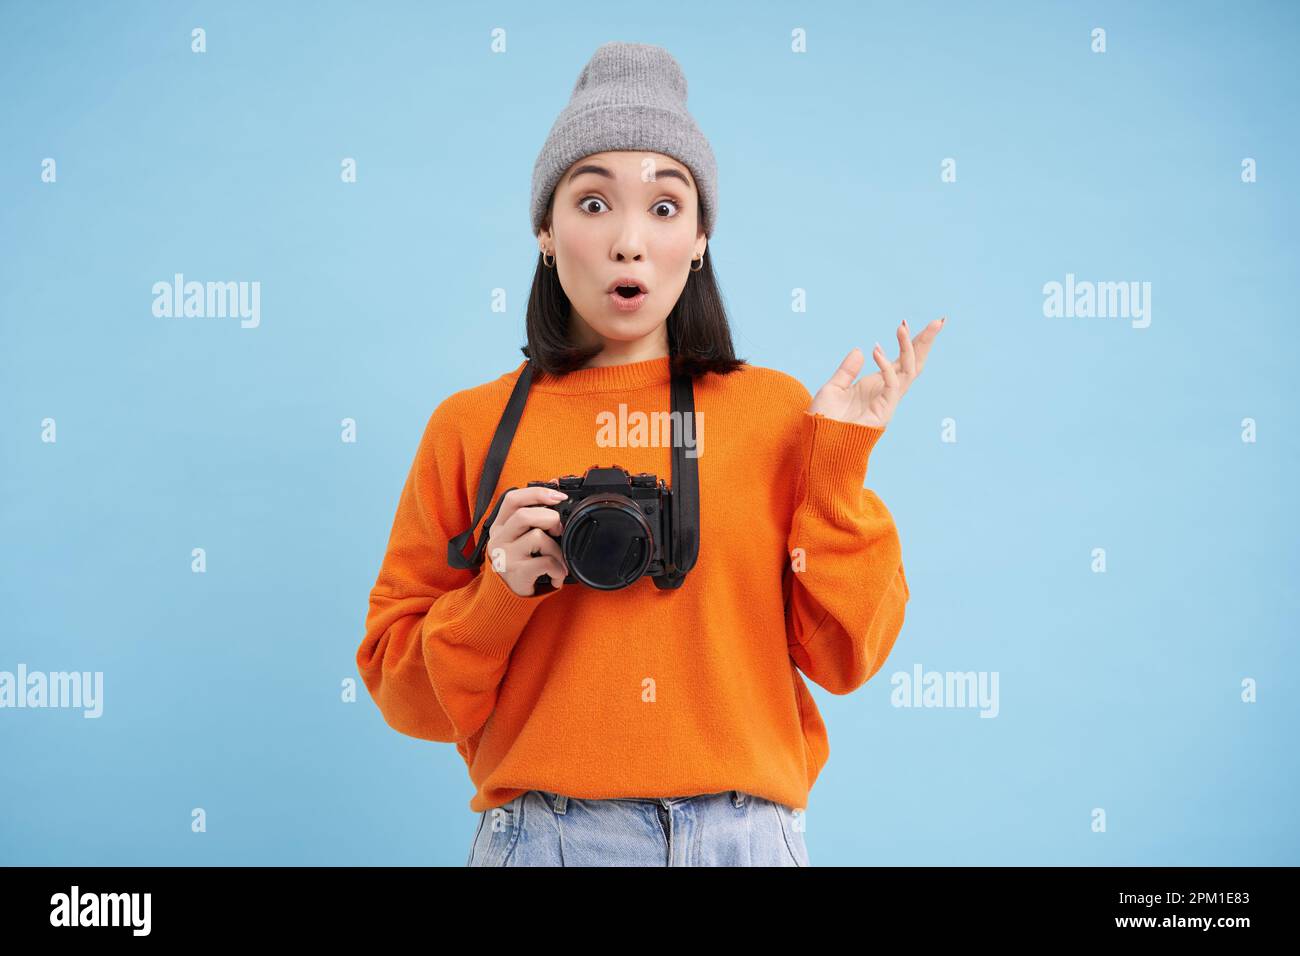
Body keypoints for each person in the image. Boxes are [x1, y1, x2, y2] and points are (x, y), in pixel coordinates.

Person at [356, 41, 944, 867]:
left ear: (701, 237)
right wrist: (497, 594)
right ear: (545, 232)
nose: (629, 241)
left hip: (747, 838)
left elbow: (848, 657)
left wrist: (837, 465)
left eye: (665, 208)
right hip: (545, 838)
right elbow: (405, 699)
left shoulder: (773, 413)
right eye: (593, 204)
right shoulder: (470, 428)